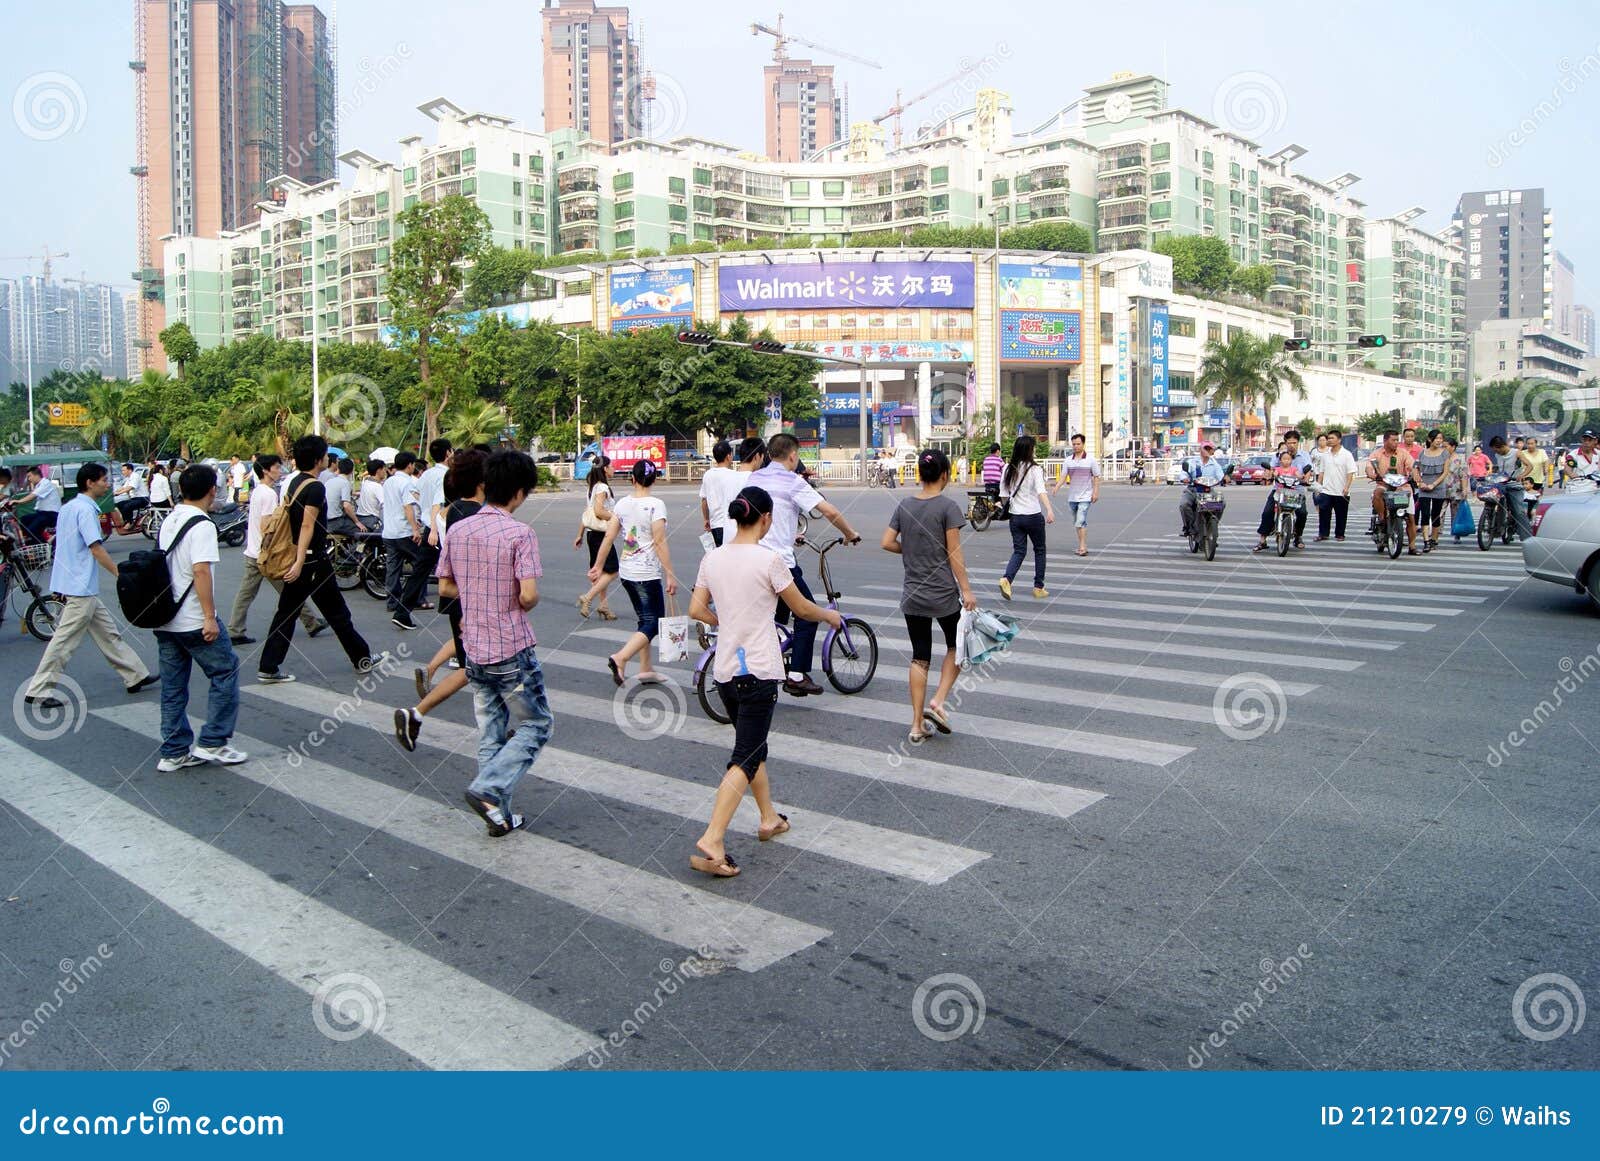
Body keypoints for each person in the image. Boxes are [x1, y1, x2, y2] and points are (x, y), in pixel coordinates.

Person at [686, 485, 843, 878]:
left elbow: (695, 609)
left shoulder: (713, 558)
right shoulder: (770, 560)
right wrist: (829, 616)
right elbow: (800, 608)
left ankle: (768, 817)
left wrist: (725, 621)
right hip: (757, 671)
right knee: (745, 755)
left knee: (753, 747)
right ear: (767, 518)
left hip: (726, 673)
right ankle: (713, 838)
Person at [437, 450, 550, 837]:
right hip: (510, 651)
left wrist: (477, 593)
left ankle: (497, 814)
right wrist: (513, 597)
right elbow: (528, 596)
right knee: (536, 724)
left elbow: (445, 586)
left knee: (491, 731)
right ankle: (489, 788)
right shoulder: (520, 534)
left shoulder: (459, 530)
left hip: (474, 648)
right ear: (519, 492)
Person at [257, 435, 390, 682]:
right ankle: (362, 659)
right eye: (326, 454)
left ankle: (268, 666)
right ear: (318, 459)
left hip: (303, 559)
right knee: (337, 613)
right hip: (312, 561)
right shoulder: (315, 487)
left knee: (287, 614)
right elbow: (307, 525)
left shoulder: (295, 482)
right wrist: (300, 562)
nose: (329, 458)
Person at [23, 463, 156, 710]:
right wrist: (120, 574)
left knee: (108, 633)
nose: (107, 484)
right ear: (90, 483)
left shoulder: (69, 507)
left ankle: (135, 675)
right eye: (104, 480)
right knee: (64, 641)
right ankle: (39, 689)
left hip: (75, 583)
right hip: (79, 586)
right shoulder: (85, 511)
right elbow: (96, 548)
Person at [748, 432, 861, 697]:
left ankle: (772, 662)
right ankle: (797, 675)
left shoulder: (754, 478)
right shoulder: (792, 481)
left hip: (751, 557)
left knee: (776, 617)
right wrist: (850, 534)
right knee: (807, 614)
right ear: (792, 456)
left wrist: (791, 536)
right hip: (778, 562)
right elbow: (829, 511)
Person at [150, 464, 246, 771]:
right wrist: (209, 617)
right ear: (212, 491)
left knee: (173, 687)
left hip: (166, 619)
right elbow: (201, 571)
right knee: (225, 671)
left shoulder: (170, 519)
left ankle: (173, 751)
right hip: (192, 618)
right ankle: (213, 741)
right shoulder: (202, 524)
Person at [394, 449, 487, 752]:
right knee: (482, 667)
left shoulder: (448, 513)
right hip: (471, 598)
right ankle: (419, 712)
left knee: (476, 667)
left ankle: (419, 710)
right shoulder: (473, 514)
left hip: (459, 592)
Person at [881, 450, 977, 744]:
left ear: (920, 475)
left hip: (913, 594)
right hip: (943, 594)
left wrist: (911, 550)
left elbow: (887, 542)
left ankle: (915, 725)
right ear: (945, 475)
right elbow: (954, 553)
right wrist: (966, 589)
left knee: (919, 656)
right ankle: (938, 700)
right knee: (957, 647)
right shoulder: (948, 507)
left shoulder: (905, 505)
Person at [588, 460, 674, 685]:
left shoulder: (622, 504)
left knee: (644, 619)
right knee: (654, 622)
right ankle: (621, 657)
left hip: (627, 573)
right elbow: (659, 542)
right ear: (654, 480)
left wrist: (598, 565)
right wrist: (670, 575)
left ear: (633, 479)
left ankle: (646, 669)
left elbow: (609, 537)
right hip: (646, 574)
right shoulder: (656, 505)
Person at [227, 454, 326, 645]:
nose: (280, 471)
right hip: (266, 554)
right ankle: (311, 622)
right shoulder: (268, 494)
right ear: (266, 471)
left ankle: (235, 630)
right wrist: (277, 550)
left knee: (249, 594)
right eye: (277, 467)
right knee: (290, 590)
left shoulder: (259, 491)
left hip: (254, 552)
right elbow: (268, 526)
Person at [998, 434, 1053, 600]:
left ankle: (1007, 579)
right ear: (1029, 450)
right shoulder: (1034, 469)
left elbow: (1003, 494)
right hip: (1033, 515)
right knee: (1040, 550)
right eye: (1033, 448)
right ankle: (1038, 587)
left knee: (1019, 550)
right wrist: (1049, 510)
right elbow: (1041, 491)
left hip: (1015, 517)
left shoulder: (1008, 468)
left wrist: (1010, 507)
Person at [381, 450, 429, 629]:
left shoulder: (389, 481)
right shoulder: (407, 482)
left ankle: (392, 602)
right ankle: (418, 599)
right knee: (421, 564)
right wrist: (415, 529)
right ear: (410, 465)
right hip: (403, 531)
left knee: (393, 568)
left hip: (389, 531)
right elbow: (408, 507)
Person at [573, 456, 619, 620]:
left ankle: (604, 605)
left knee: (600, 572)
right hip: (601, 535)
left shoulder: (592, 488)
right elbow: (599, 512)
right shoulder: (603, 488)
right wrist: (616, 518)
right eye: (611, 466)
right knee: (613, 571)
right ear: (605, 468)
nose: (613, 468)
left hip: (591, 534)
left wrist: (580, 534)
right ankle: (588, 597)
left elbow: (587, 513)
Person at [1253, 430, 1312, 552]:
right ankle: (1262, 540)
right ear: (1285, 443)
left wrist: (1305, 479)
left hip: (1297, 490)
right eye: (1289, 443)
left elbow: (1308, 470)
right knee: (1267, 512)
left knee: (1302, 513)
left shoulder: (1305, 455)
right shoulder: (1277, 456)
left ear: (1298, 443)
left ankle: (1298, 537)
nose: (1292, 445)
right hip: (1279, 490)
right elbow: (1270, 469)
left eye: (1294, 443)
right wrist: (1268, 475)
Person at [1365, 429, 1421, 554]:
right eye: (1393, 440)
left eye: (1397, 440)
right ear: (1385, 440)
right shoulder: (1376, 454)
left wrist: (1415, 474)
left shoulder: (1403, 453)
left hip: (1402, 487)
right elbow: (1369, 467)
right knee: (1377, 493)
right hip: (1384, 485)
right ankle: (1382, 517)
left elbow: (1412, 466)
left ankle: (1412, 546)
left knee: (1411, 518)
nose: (1396, 442)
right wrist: (1372, 474)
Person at [1050, 432, 1099, 557]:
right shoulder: (1068, 461)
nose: (1076, 446)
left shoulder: (1090, 460)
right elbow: (1063, 476)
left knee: (1080, 520)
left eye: (1078, 444)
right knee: (1077, 522)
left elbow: (1096, 477)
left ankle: (1082, 547)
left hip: (1085, 496)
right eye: (1074, 444)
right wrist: (1056, 487)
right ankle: (1082, 544)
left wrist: (1095, 492)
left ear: (1083, 444)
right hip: (1072, 497)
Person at [1488, 434, 1534, 542]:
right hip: (1501, 485)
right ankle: (1495, 528)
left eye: (1496, 450)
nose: (1496, 452)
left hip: (1514, 486)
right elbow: (1499, 469)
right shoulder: (1497, 455)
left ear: (1501, 446)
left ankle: (1527, 538)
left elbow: (1530, 466)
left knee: (1519, 512)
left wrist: (1521, 475)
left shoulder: (1516, 453)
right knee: (1491, 502)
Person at [1314, 429, 1356, 541]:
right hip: (1326, 490)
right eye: (1328, 438)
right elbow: (1321, 472)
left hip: (1341, 491)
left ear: (1339, 440)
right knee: (1323, 513)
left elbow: (1350, 473)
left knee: (1341, 514)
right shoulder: (1325, 455)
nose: (1329, 440)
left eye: (1332, 438)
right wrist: (1318, 486)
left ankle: (1340, 534)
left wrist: (1346, 487)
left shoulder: (1347, 454)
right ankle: (1323, 534)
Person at [698, 439, 741, 548]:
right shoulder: (734, 475)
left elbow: (704, 501)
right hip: (731, 525)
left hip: (715, 525)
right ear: (728, 456)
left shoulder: (708, 475)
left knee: (719, 554)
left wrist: (706, 519)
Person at [1414, 429, 1452, 551]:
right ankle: (1426, 541)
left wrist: (1434, 484)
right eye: (1436, 438)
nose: (1439, 441)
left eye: (1441, 438)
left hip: (1438, 486)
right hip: (1424, 486)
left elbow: (1445, 472)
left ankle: (1434, 539)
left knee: (1436, 514)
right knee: (1424, 514)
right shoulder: (1422, 453)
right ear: (1430, 440)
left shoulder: (1445, 453)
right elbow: (1416, 468)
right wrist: (1420, 482)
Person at [1178, 442, 1226, 538]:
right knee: (1184, 505)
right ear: (1201, 449)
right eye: (1205, 448)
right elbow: (1183, 474)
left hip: (1208, 490)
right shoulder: (1192, 462)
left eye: (1209, 449)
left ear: (1212, 451)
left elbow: (1221, 476)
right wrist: (1185, 479)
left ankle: (1212, 525)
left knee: (1222, 503)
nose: (1207, 451)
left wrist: (1225, 479)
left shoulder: (1214, 464)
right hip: (1192, 489)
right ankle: (1190, 526)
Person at [15, 466, 63, 540]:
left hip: (51, 515)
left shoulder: (46, 483)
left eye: (29, 476)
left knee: (32, 530)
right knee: (24, 520)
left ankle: (44, 544)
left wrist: (18, 501)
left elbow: (33, 495)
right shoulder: (38, 485)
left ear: (37, 475)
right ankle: (30, 540)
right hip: (42, 514)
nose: (29, 479)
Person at [324, 456, 362, 537]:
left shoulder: (330, 481)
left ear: (339, 468)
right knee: (363, 530)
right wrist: (357, 522)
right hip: (336, 522)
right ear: (351, 470)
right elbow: (346, 506)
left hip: (325, 521)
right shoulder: (345, 483)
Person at [354, 457, 386, 532]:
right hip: (372, 520)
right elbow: (385, 505)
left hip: (360, 517)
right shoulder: (377, 486)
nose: (385, 472)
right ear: (378, 471)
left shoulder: (365, 483)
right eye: (384, 469)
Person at [113, 463, 149, 527]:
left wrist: (119, 493)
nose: (122, 472)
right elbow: (124, 487)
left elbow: (130, 487)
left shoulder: (135, 476)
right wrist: (113, 493)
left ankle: (130, 523)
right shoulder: (129, 478)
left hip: (143, 499)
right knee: (119, 504)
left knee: (127, 506)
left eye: (124, 470)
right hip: (135, 499)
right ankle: (125, 520)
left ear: (129, 470)